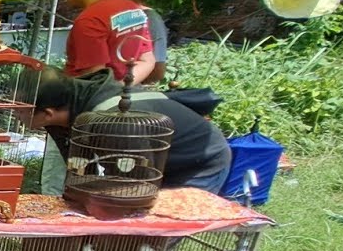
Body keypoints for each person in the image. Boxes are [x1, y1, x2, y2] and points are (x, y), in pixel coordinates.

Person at [30, 68, 233, 194]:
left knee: (151, 234)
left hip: (199, 162)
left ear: (47, 112)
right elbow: (79, 172)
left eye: (19, 112)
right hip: (153, 161)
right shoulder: (59, 118)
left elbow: (136, 186)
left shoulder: (112, 123)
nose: (16, 116)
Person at [59, 0, 154, 83]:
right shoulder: (134, 9)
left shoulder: (90, 20)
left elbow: (94, 80)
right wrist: (122, 89)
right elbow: (147, 61)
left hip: (87, 100)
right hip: (122, 97)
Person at [114, 0, 168, 85]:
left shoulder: (149, 18)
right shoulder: (110, 14)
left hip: (126, 90)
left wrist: (122, 86)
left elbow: (158, 70)